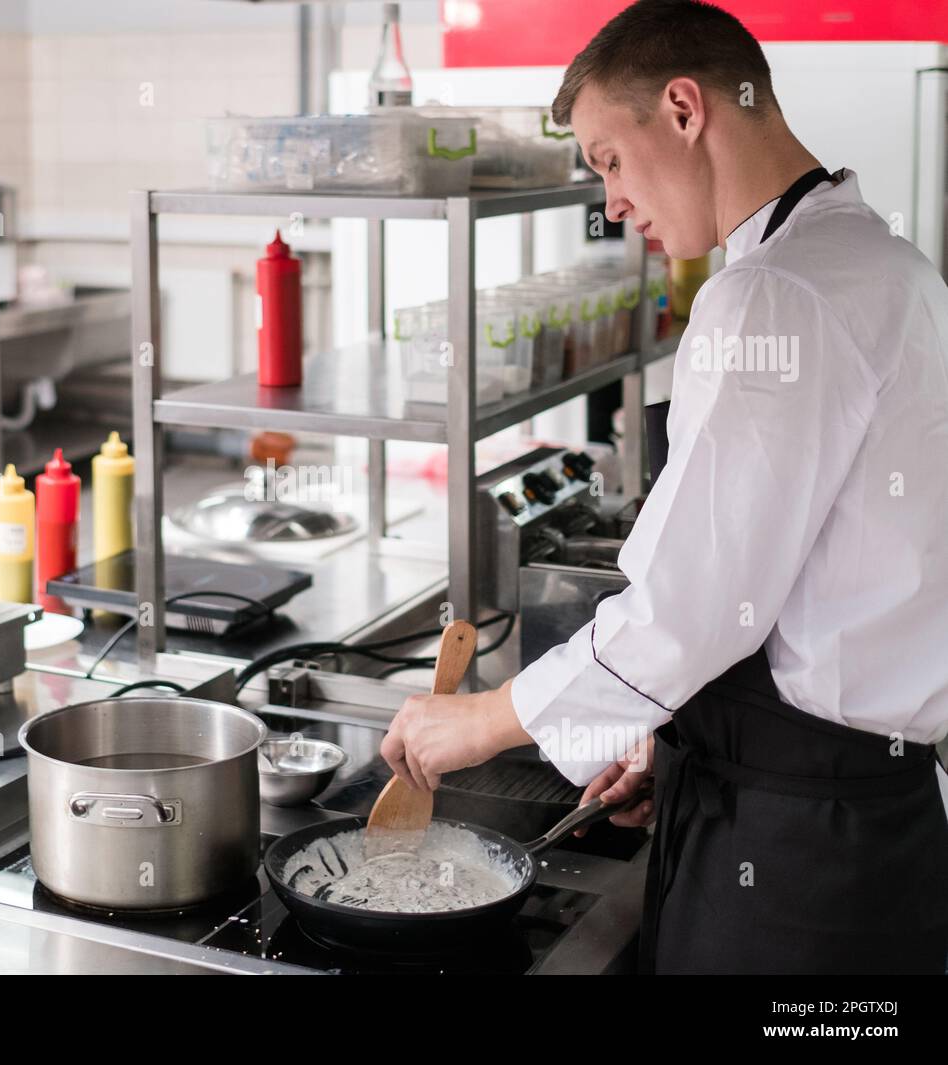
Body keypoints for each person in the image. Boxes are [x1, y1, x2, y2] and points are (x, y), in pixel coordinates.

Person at [381, 0, 948, 974]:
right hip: (872, 826)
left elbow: (686, 613)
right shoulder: (891, 265)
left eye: (608, 159)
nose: (610, 202)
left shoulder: (771, 294)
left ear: (684, 109)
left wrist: (482, 717)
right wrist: (672, 733)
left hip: (794, 865)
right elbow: (814, 577)